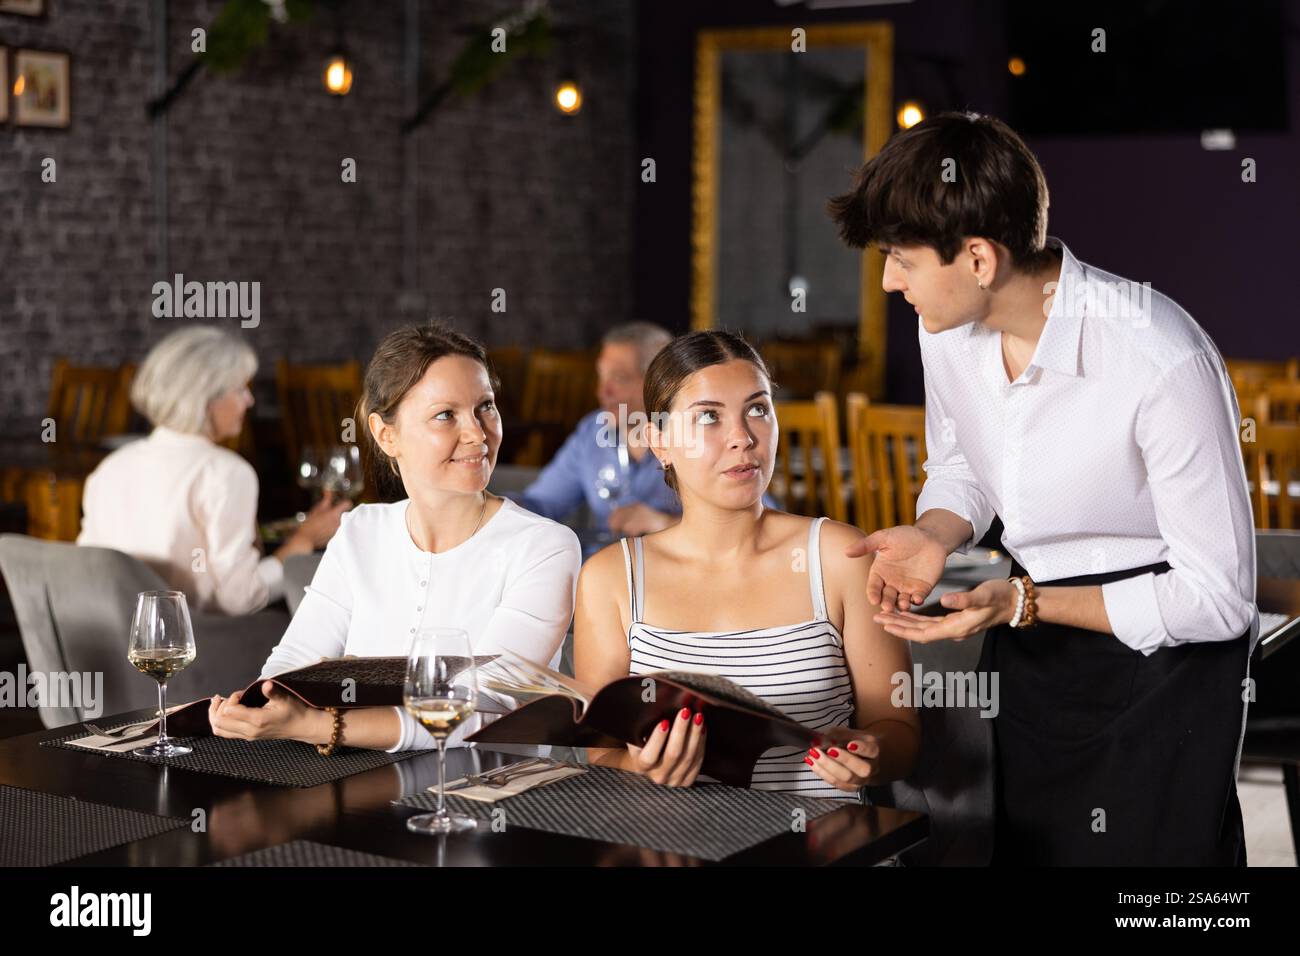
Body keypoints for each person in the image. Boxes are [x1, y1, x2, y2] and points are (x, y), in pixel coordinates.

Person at [827, 111, 1257, 863]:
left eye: (900, 258)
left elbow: (1219, 600)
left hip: (1167, 662)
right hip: (1033, 648)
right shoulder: (947, 331)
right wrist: (937, 532)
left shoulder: (1160, 358)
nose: (890, 280)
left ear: (979, 260)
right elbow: (962, 463)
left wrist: (1025, 602)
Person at [574, 330, 919, 797]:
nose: (742, 438)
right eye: (709, 417)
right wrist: (643, 768)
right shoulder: (610, 579)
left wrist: (869, 752)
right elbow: (602, 755)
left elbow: (898, 730)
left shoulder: (840, 557)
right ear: (660, 442)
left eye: (758, 409)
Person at [209, 323, 582, 752]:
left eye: (486, 407)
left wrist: (315, 726)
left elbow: (485, 709)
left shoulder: (544, 546)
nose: (478, 434)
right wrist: (257, 705)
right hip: (354, 778)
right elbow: (293, 663)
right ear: (386, 435)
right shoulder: (360, 530)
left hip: (483, 794)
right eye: (446, 415)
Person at [77, 326, 348, 615]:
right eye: (240, 389)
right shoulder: (226, 472)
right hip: (199, 648)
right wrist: (303, 542)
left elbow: (90, 574)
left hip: (110, 647)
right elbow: (240, 598)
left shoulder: (110, 467)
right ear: (206, 400)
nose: (249, 401)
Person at [517, 322, 680, 537]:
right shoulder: (592, 431)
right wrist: (487, 505)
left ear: (660, 382)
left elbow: (730, 528)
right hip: (599, 564)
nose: (602, 391)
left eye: (619, 378)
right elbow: (542, 503)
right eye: (601, 377)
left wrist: (664, 524)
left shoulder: (693, 438)